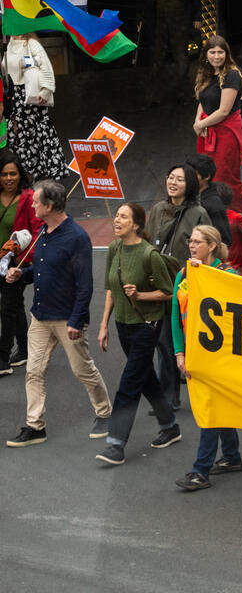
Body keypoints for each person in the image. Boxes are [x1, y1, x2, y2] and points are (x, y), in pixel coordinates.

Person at [5, 180, 111, 448]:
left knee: (82, 369)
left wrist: (77, 320)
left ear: (49, 206)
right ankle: (35, 426)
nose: (32, 204)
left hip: (67, 319)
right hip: (40, 316)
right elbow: (41, 270)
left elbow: (85, 285)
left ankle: (106, 413)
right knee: (34, 372)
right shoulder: (42, 231)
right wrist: (22, 274)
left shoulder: (76, 237)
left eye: (37, 202)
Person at [93, 203, 180, 466]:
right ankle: (170, 426)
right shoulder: (114, 248)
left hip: (147, 325)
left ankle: (115, 444)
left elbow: (169, 292)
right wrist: (104, 324)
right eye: (117, 216)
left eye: (123, 217)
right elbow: (110, 289)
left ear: (136, 225)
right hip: (123, 324)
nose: (117, 220)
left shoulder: (149, 255)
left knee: (129, 384)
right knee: (145, 377)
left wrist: (140, 295)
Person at [172, 225, 242, 490]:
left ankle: (201, 470)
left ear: (212, 246)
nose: (192, 246)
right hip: (195, 354)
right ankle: (232, 456)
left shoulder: (228, 274)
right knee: (216, 405)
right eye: (190, 241)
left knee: (209, 409)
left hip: (220, 357)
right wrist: (180, 352)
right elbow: (175, 317)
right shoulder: (183, 273)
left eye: (198, 242)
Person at [146, 164, 211, 408]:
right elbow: (150, 241)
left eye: (180, 179)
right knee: (164, 340)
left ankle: (204, 391)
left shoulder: (198, 213)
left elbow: (209, 244)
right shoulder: (159, 209)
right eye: (170, 177)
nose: (173, 182)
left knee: (192, 339)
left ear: (190, 185)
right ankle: (169, 397)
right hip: (161, 283)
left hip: (187, 283)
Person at [192, 35, 242, 213]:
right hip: (208, 131)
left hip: (225, 133)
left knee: (226, 177)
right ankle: (216, 211)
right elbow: (202, 100)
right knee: (207, 175)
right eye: (212, 52)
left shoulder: (232, 75)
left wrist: (201, 124)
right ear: (206, 54)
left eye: (220, 52)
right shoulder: (207, 74)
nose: (216, 56)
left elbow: (224, 111)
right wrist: (198, 121)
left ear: (227, 54)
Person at [2, 33, 67, 181]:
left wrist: (45, 91)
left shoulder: (31, 43)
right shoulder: (9, 43)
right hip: (13, 96)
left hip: (29, 94)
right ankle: (25, 173)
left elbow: (45, 65)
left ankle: (39, 172)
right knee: (15, 135)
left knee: (32, 134)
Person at [0, 151, 38, 375]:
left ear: (20, 174)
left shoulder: (29, 198)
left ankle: (3, 358)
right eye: (4, 174)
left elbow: (36, 232)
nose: (8, 178)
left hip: (16, 264)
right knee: (14, 306)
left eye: (13, 173)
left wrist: (24, 260)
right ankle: (24, 350)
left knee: (7, 308)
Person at [185, 154, 233, 246]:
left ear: (206, 176)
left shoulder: (214, 205)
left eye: (192, 174)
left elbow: (223, 240)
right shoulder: (190, 195)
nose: (187, 178)